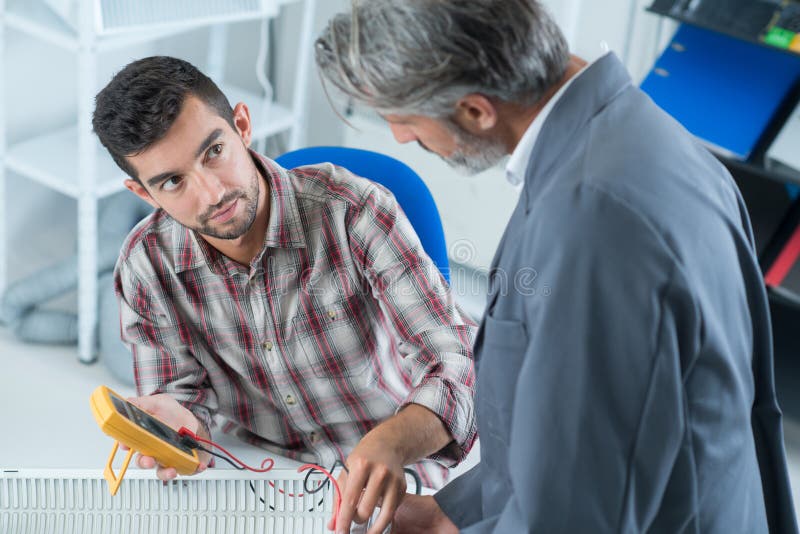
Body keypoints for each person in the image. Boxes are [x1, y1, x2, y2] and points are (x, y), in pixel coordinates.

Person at [314, 1, 798, 532]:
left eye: (401, 121)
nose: (403, 138)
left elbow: (575, 514)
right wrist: (443, 518)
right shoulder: (633, 134)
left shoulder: (596, 219)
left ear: (476, 110)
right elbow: (565, 446)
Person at [92, 56, 477, 533]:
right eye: (173, 182)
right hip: (260, 479)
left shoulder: (354, 210)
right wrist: (177, 421)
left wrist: (393, 442)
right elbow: (179, 398)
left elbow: (456, 368)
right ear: (144, 194)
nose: (212, 193)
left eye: (213, 152)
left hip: (402, 469)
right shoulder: (145, 265)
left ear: (242, 125)